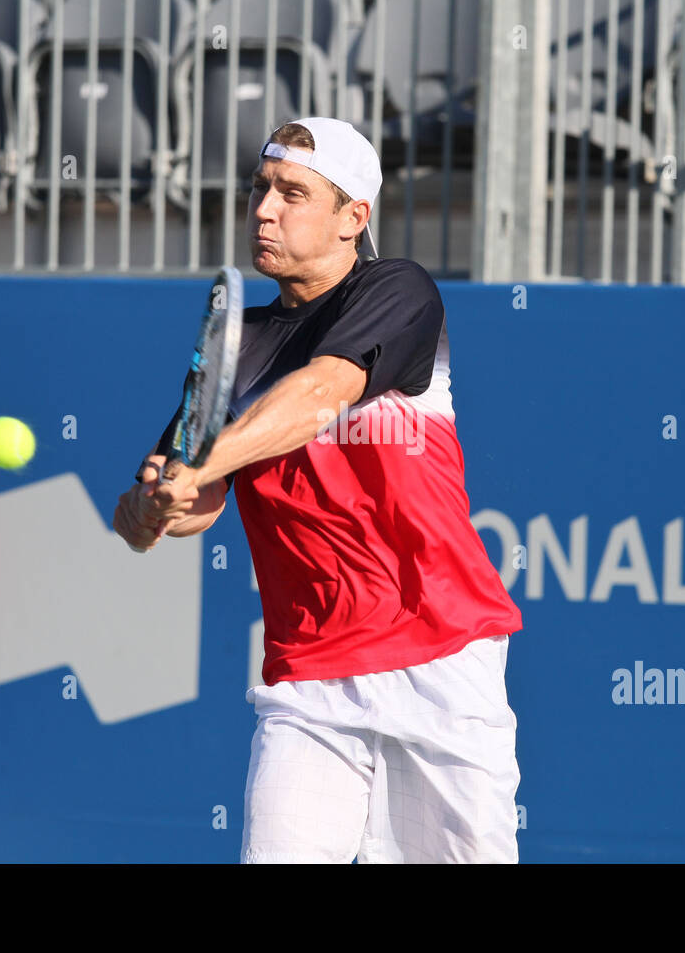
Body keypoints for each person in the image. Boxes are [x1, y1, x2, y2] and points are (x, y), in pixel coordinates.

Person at [112, 117, 522, 863]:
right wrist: (153, 506)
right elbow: (173, 510)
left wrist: (198, 464)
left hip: (441, 662)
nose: (265, 209)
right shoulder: (237, 347)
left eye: (292, 193)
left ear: (352, 218)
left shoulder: (400, 291)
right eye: (262, 189)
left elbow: (320, 393)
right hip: (308, 681)